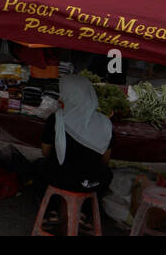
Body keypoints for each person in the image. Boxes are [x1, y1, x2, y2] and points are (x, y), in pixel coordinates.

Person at [39, 74, 113, 206]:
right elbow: (105, 160)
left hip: (60, 179)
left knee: (40, 166)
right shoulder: (105, 123)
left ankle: (52, 211)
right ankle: (85, 214)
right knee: (106, 173)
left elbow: (45, 152)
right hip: (92, 182)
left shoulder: (57, 119)